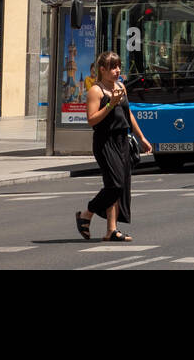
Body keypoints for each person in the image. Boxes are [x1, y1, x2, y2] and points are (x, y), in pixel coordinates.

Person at [76, 51, 151, 242]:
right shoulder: (96, 90)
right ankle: (87, 213)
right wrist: (110, 104)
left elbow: (128, 114)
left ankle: (111, 230)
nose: (118, 70)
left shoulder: (121, 87)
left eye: (119, 66)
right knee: (115, 184)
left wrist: (141, 137)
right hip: (105, 141)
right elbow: (92, 120)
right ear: (102, 69)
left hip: (122, 140)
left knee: (119, 185)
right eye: (113, 67)